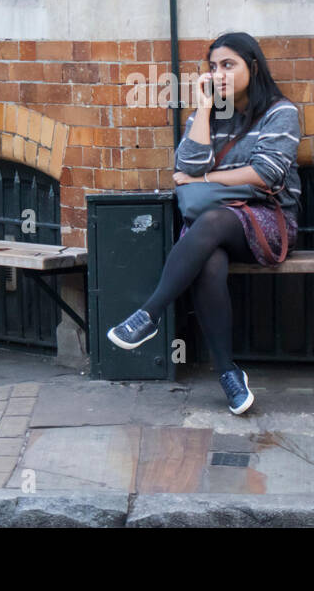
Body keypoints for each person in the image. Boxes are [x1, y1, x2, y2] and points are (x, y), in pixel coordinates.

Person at [106, 32, 301, 415]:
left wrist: (203, 182)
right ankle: (228, 373)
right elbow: (186, 166)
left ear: (253, 67)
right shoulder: (208, 114)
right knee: (209, 259)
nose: (220, 74)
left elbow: (266, 174)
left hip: (268, 221)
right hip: (213, 230)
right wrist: (205, 107)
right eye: (214, 67)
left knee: (210, 222)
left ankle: (150, 313)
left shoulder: (280, 112)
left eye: (229, 65)